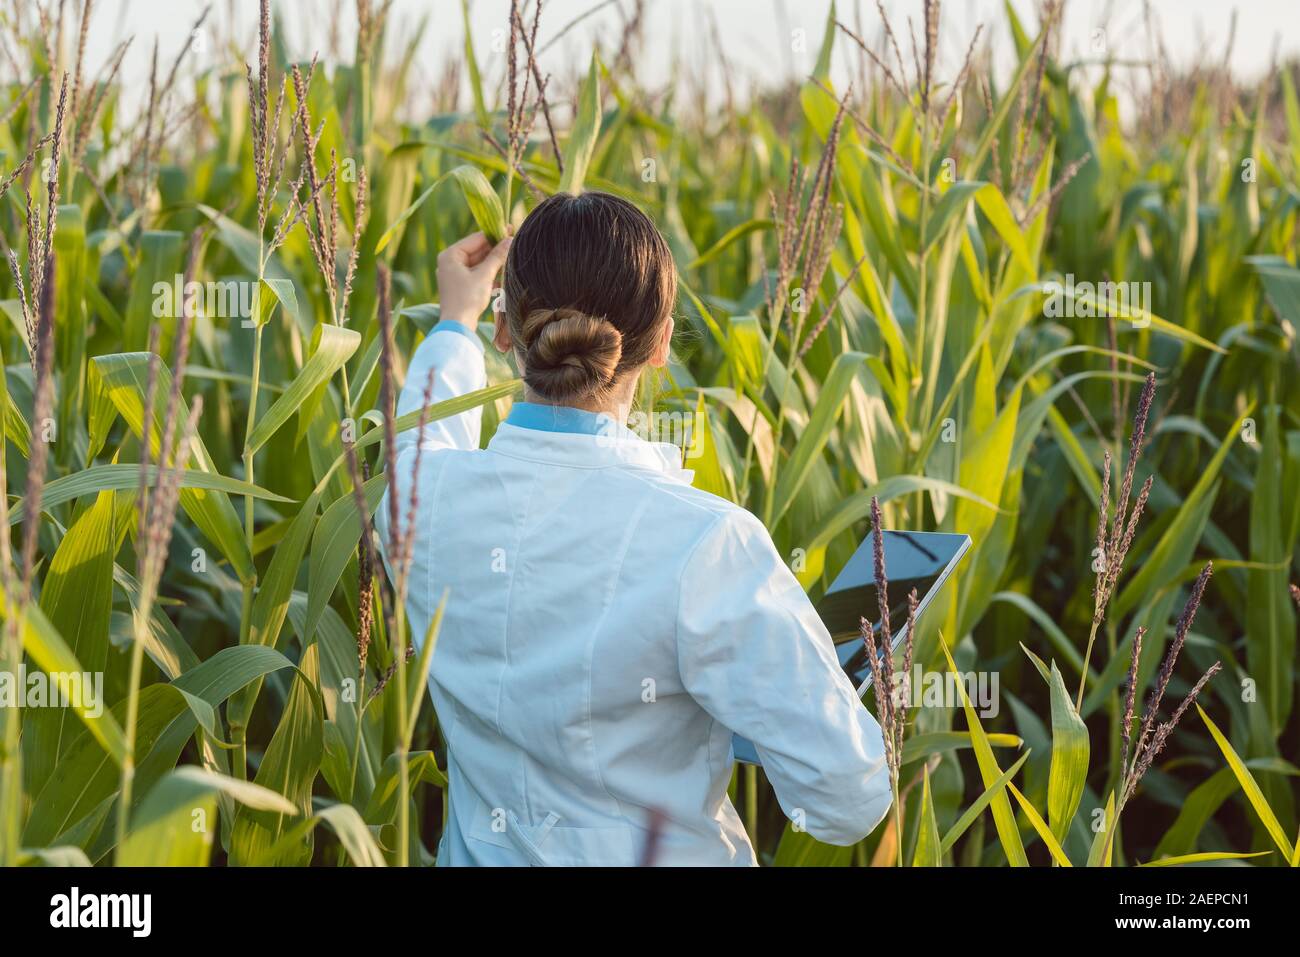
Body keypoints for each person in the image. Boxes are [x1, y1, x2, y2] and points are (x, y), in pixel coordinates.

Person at [378, 191, 891, 866]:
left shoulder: (418, 508)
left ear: (506, 331)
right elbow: (847, 800)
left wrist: (454, 322)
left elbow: (417, 442)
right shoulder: (708, 544)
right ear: (661, 347)